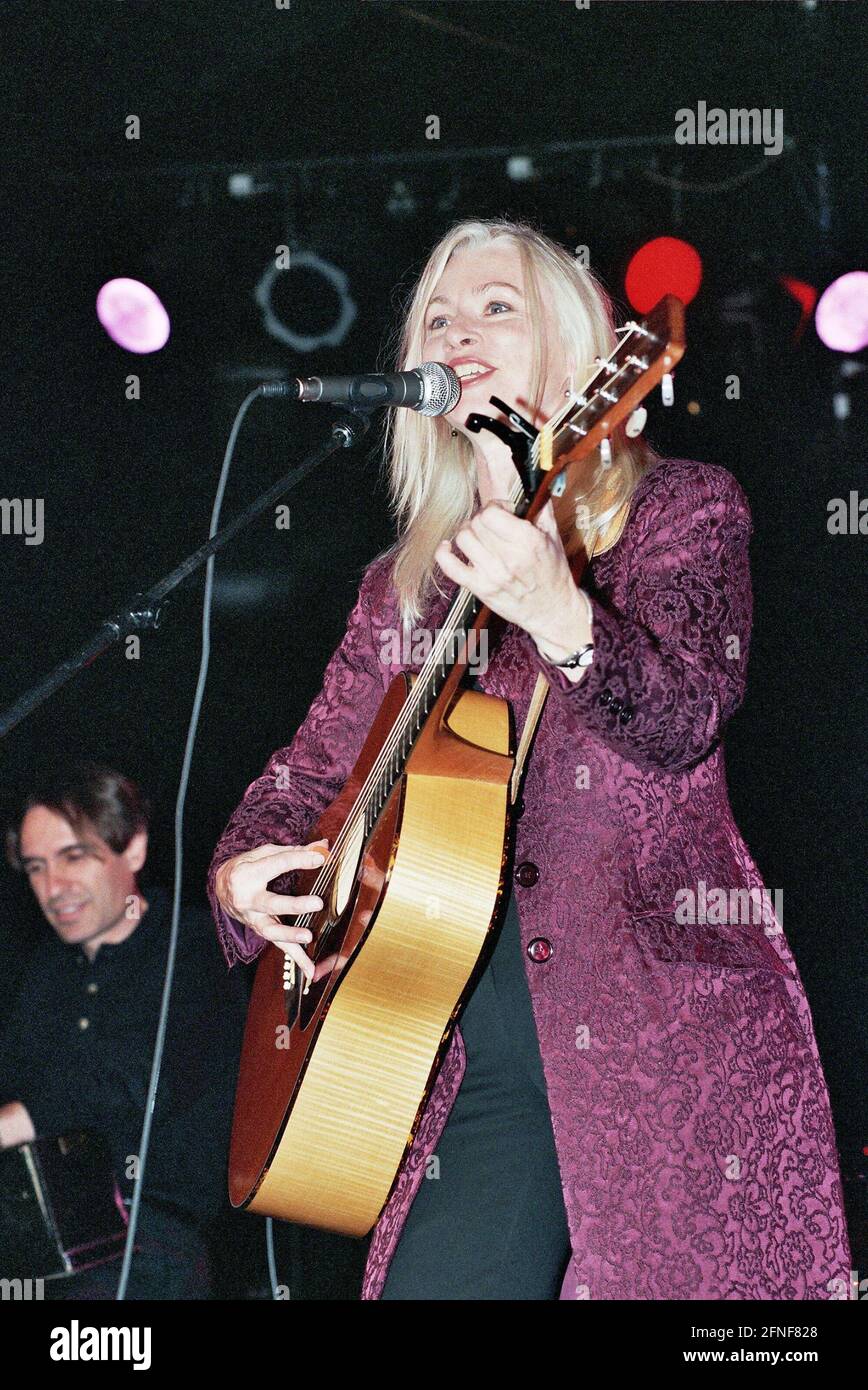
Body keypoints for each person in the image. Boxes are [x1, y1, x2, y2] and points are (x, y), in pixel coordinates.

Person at [208, 217, 851, 1300]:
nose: (458, 330)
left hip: (661, 1053)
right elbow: (305, 774)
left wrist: (564, 615)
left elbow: (686, 711)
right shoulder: (399, 587)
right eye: (438, 316)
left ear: (571, 345)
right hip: (474, 1070)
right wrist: (240, 873)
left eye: (495, 306)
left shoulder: (677, 511)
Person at [1, 762, 247, 1299]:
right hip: (40, 1249)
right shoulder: (45, 973)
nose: (53, 887)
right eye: (37, 867)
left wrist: (19, 1120)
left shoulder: (195, 946)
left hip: (147, 1245)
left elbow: (136, 1078)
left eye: (73, 857)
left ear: (133, 847)